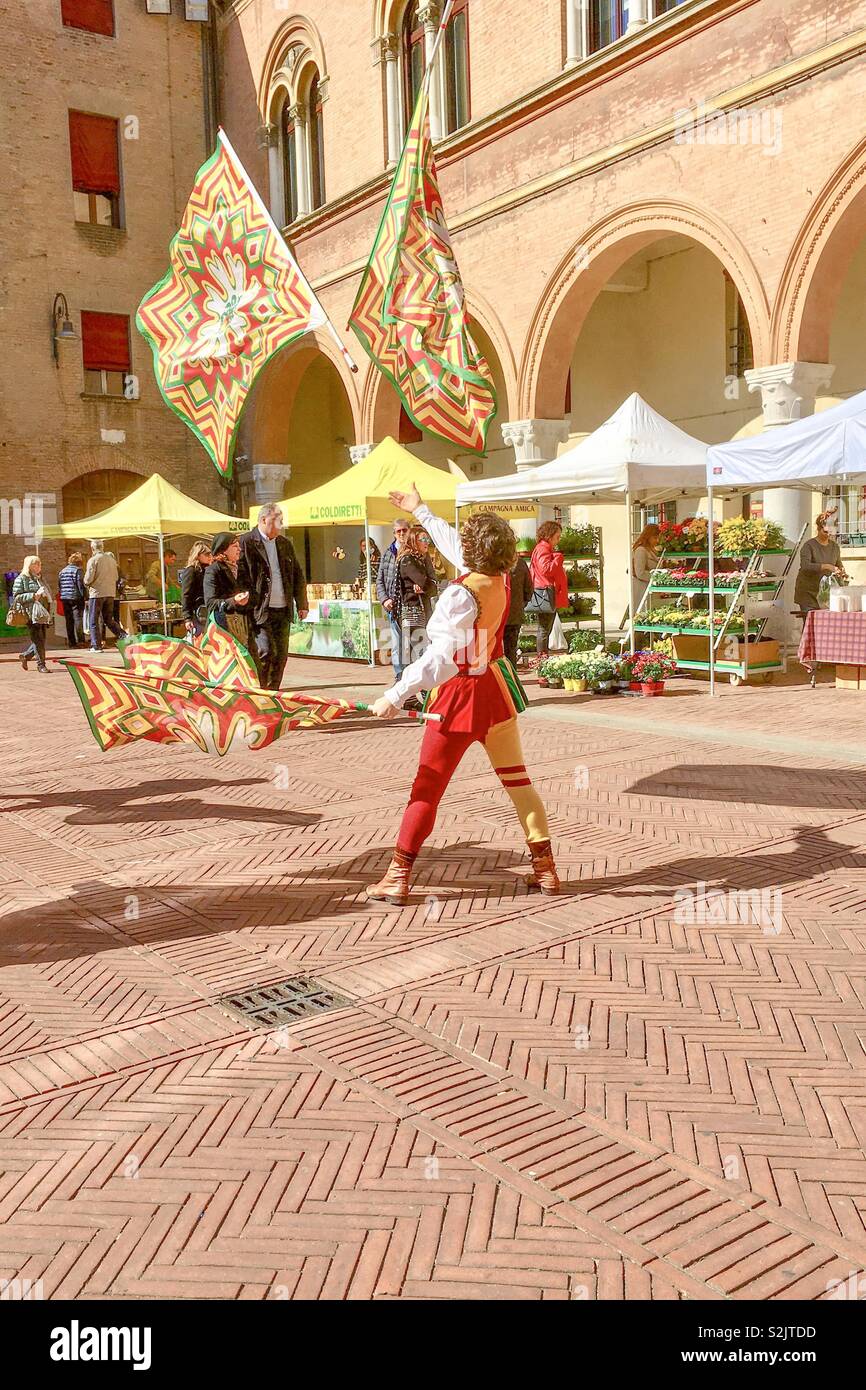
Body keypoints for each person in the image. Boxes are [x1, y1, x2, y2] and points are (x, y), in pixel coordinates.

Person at [367, 482, 559, 906]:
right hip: (495, 691)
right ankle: (545, 869)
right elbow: (461, 548)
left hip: (457, 699)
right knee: (518, 781)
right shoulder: (501, 578)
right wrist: (422, 511)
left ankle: (398, 876)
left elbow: (440, 660)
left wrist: (395, 695)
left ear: (475, 553)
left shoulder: (460, 594)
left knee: (428, 787)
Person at [237, 505, 308, 690]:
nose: (280, 526)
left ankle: (274, 694)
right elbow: (240, 576)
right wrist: (246, 600)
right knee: (267, 651)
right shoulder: (246, 542)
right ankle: (262, 691)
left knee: (281, 656)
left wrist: (302, 603)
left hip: (283, 608)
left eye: (281, 521)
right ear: (263, 520)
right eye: (277, 521)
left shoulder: (284, 543)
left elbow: (297, 574)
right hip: (260, 609)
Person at [395, 524, 438, 695]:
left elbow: (431, 585)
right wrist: (428, 585)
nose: (427, 542)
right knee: (418, 654)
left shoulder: (420, 558)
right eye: (423, 539)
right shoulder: (408, 560)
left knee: (419, 653)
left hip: (420, 611)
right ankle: (415, 692)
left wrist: (429, 585)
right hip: (412, 612)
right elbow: (426, 583)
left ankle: (414, 692)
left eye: (428, 539)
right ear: (414, 540)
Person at [203, 533, 251, 648]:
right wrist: (233, 601)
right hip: (222, 630)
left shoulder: (242, 568)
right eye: (235, 546)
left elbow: (250, 590)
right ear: (223, 549)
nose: (239, 549)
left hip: (243, 627)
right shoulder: (213, 570)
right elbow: (210, 603)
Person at [376, 518, 410, 680]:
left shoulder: (415, 552)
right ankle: (399, 678)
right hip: (394, 607)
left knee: (414, 645)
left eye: (405, 530)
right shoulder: (388, 553)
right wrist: (384, 600)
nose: (402, 533)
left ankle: (414, 680)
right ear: (394, 534)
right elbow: (379, 580)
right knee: (397, 646)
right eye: (399, 531)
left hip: (412, 607)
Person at [530, 521, 568, 661]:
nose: (559, 539)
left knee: (545, 628)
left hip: (546, 591)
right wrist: (558, 558)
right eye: (557, 536)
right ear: (550, 535)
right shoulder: (543, 549)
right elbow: (546, 569)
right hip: (545, 592)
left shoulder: (544, 549)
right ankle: (542, 658)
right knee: (544, 628)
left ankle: (543, 656)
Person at [794, 511, 844, 613]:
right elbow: (805, 566)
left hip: (826, 594)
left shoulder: (834, 547)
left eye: (831, 532)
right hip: (808, 594)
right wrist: (827, 566)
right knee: (811, 625)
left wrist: (841, 572)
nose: (828, 535)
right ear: (819, 528)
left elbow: (838, 564)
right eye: (825, 532)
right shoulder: (809, 546)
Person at [12, 555, 53, 674]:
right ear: (30, 566)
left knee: (41, 639)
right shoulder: (22, 578)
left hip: (42, 613)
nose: (40, 566)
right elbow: (17, 596)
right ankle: (41, 665)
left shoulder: (40, 578)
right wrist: (33, 596)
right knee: (38, 640)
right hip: (30, 613)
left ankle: (25, 656)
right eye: (37, 564)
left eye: (40, 563)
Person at [84, 540, 126, 652]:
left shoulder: (93, 560)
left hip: (97, 593)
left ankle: (96, 645)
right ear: (102, 547)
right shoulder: (112, 560)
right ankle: (124, 636)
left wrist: (87, 583)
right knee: (108, 619)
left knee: (93, 620)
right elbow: (116, 577)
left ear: (93, 548)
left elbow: (88, 579)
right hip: (110, 593)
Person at [504, 552, 533, 669]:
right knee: (510, 649)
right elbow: (529, 589)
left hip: (496, 614)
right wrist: (521, 603)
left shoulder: (492, 563)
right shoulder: (520, 563)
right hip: (514, 614)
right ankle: (511, 678)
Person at [179, 540, 213, 637]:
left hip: (208, 610)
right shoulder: (191, 571)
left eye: (210, 554)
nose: (209, 556)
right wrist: (187, 618)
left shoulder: (208, 569)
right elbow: (186, 595)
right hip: (198, 612)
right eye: (206, 554)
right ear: (198, 555)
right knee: (200, 639)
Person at [631, 522, 660, 617]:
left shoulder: (652, 549)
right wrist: (657, 578)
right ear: (648, 537)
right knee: (643, 614)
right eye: (655, 538)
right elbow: (640, 573)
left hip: (649, 588)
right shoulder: (641, 550)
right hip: (642, 588)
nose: (657, 540)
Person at [58, 551, 87, 647]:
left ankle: (71, 642)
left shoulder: (62, 571)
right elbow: (80, 585)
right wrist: (84, 596)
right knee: (78, 619)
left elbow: (60, 585)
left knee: (69, 620)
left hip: (65, 598)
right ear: (79, 562)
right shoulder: (78, 570)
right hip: (76, 597)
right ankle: (81, 641)